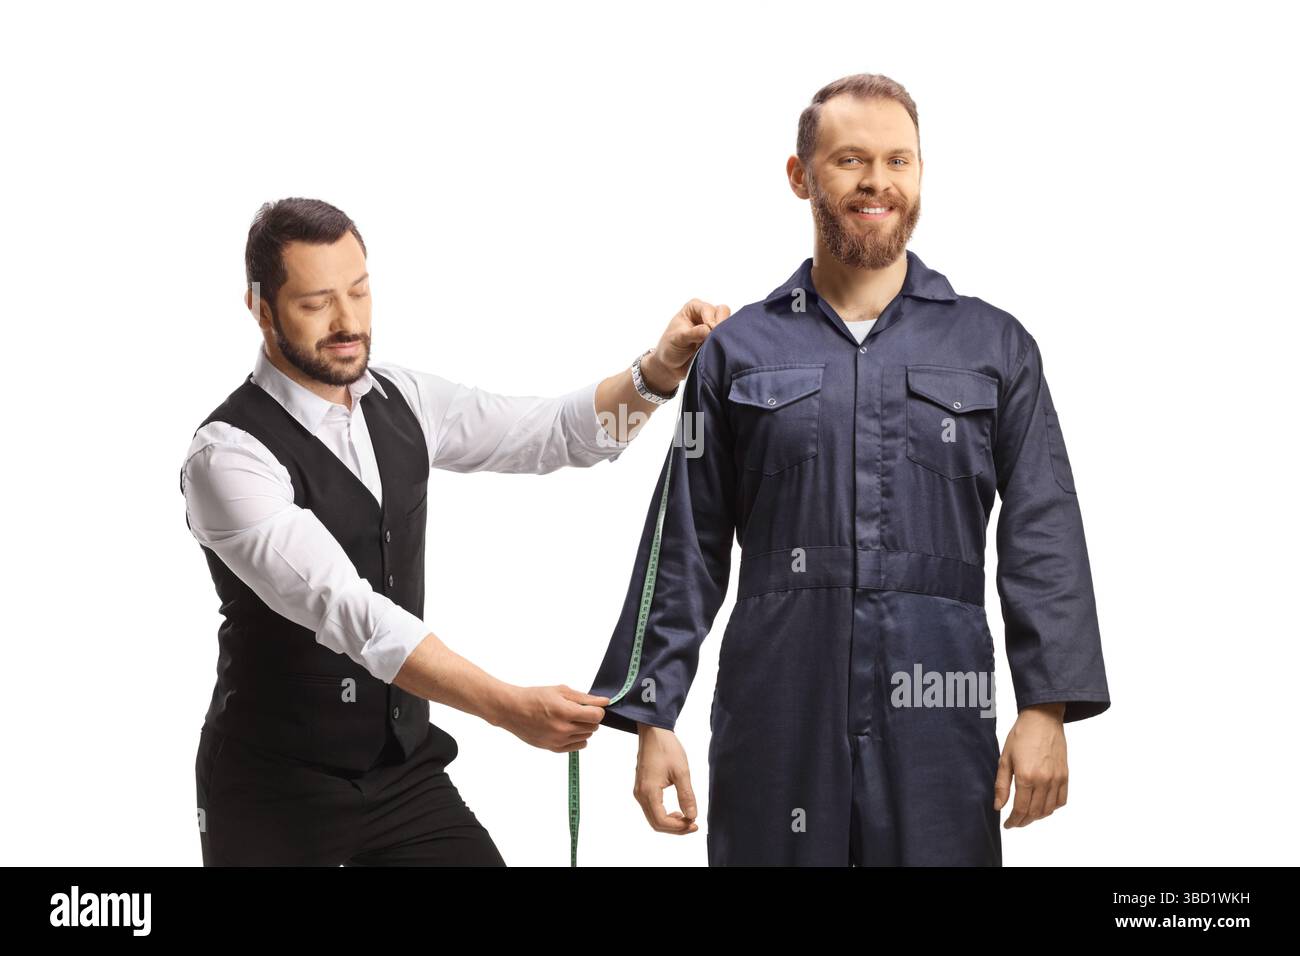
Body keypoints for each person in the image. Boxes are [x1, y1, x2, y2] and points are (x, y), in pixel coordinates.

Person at [587, 74, 1110, 865]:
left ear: (921, 175)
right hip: (778, 704)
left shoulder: (994, 347)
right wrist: (653, 712)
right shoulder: (739, 350)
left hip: (939, 702)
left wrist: (1048, 706)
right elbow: (686, 540)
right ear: (801, 177)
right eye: (850, 161)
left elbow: (1045, 526)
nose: (877, 182)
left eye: (899, 161)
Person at [181, 197, 729, 865]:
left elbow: (557, 435)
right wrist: (506, 706)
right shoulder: (228, 456)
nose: (348, 321)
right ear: (261, 309)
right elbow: (352, 614)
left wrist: (658, 372)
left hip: (401, 775)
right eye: (316, 302)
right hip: (272, 791)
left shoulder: (401, 398)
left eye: (359, 291)